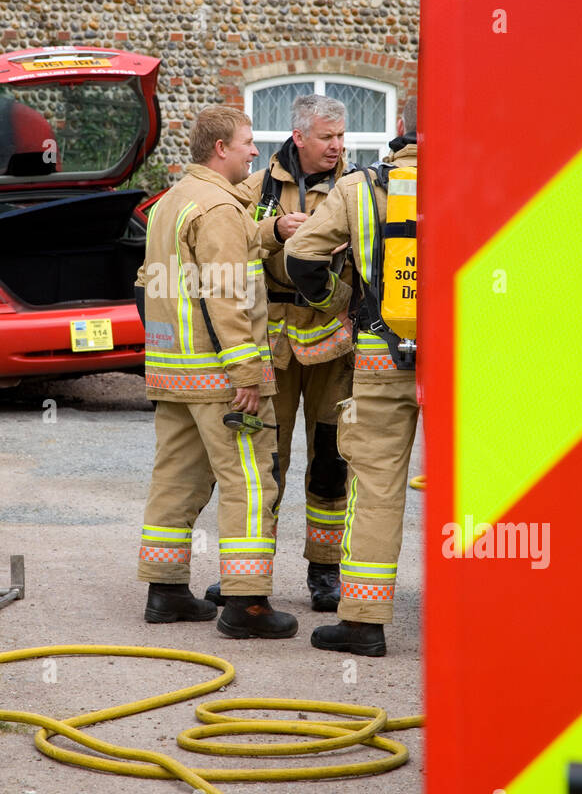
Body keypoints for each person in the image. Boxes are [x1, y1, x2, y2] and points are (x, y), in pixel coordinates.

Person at [136, 105, 298, 639]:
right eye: (248, 143)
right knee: (251, 482)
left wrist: (272, 228)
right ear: (220, 148)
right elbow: (227, 293)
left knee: (176, 478)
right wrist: (247, 374)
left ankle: (166, 591)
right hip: (224, 379)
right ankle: (246, 605)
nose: (256, 152)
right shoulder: (219, 212)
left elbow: (153, 282)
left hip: (174, 373)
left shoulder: (174, 202)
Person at [206, 94, 355, 613]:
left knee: (330, 464)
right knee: (264, 462)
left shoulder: (354, 186)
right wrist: (273, 231)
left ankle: (324, 571)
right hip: (274, 346)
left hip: (333, 348)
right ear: (299, 138)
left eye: (340, 137)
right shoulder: (258, 186)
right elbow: (228, 237)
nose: (336, 146)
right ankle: (250, 580)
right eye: (326, 137)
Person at [285, 98, 419, 656]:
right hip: (467, 362)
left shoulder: (359, 188)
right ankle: (489, 619)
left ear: (399, 130)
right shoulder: (492, 177)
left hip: (383, 356)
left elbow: (300, 256)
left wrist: (342, 299)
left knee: (376, 484)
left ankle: (363, 621)